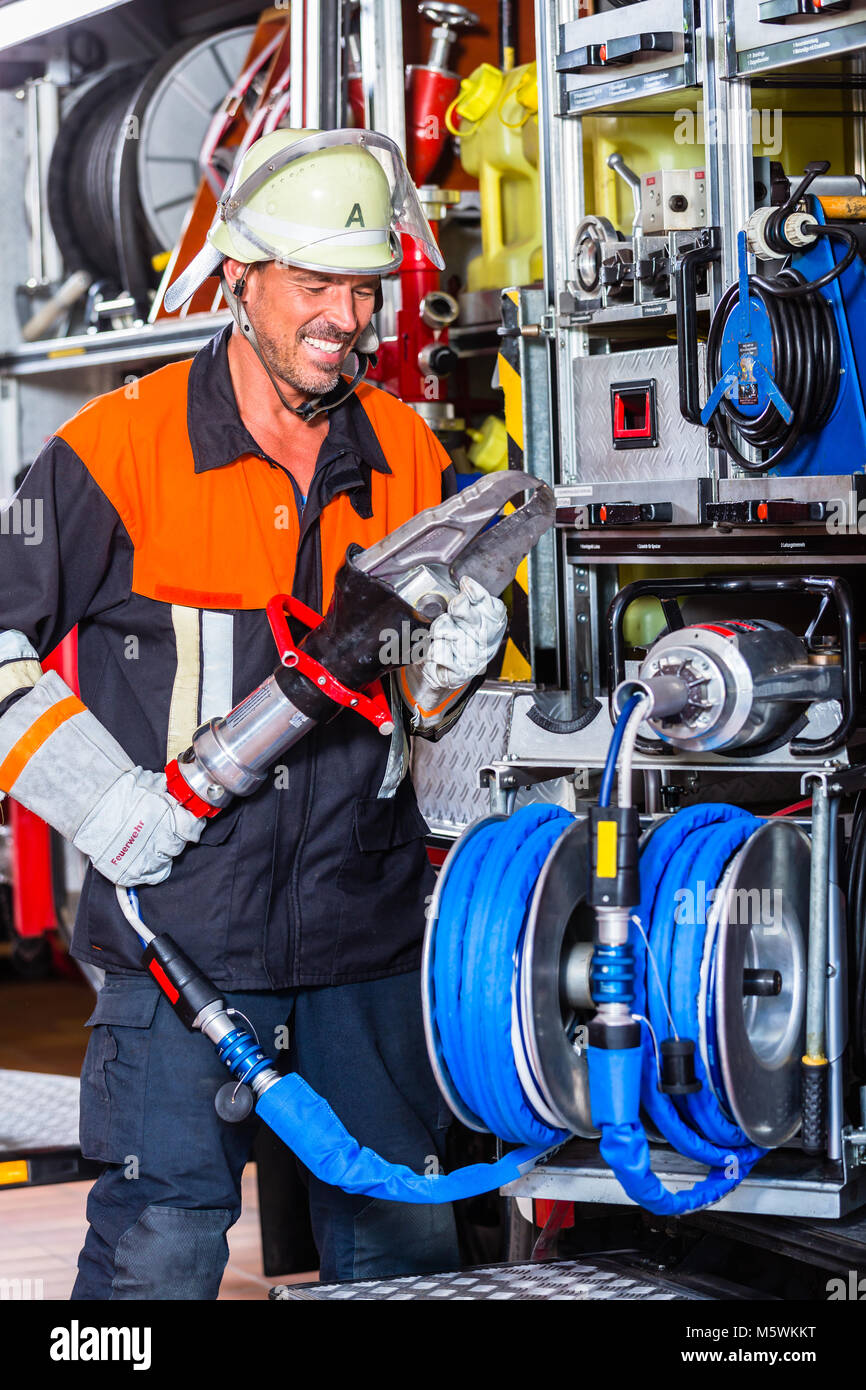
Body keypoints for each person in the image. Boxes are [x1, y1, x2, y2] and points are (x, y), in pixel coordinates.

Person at [0, 128, 506, 1297]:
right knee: (163, 1246)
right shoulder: (116, 448)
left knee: (401, 1250)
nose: (345, 314)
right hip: (180, 932)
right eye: (312, 283)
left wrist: (452, 664)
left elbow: (420, 702)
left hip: (362, 936)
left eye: (363, 287)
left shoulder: (405, 448)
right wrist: (100, 799)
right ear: (239, 281)